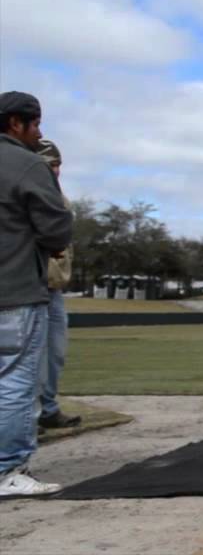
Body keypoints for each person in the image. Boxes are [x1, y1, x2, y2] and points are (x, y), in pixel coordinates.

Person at [0, 92, 73, 497]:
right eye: (35, 123)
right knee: (15, 382)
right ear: (16, 123)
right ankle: (9, 469)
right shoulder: (27, 163)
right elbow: (56, 228)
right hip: (14, 291)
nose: (39, 131)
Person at [35, 139, 81, 430]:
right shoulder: (29, 192)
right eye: (51, 164)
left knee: (55, 353)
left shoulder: (59, 198)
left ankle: (48, 407)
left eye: (58, 164)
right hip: (32, 285)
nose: (57, 170)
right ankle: (30, 414)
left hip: (54, 287)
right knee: (30, 357)